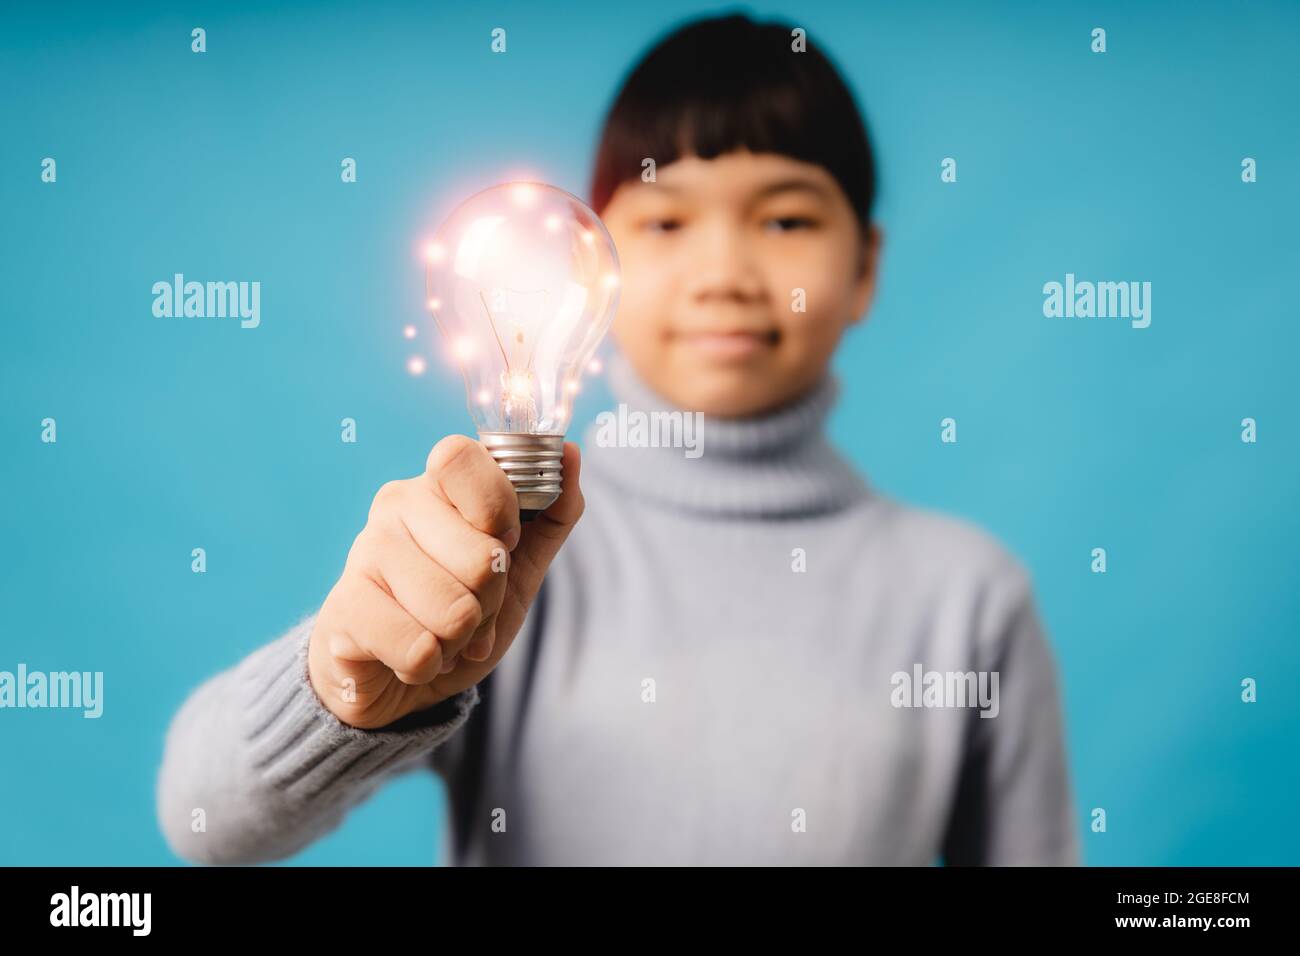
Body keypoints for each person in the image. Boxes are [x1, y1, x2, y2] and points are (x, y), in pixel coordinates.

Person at [156, 12, 1080, 866]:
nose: (723, 273)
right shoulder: (500, 565)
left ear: (866, 267)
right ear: (595, 260)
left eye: (786, 217)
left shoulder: (967, 598)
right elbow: (204, 817)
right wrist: (344, 683)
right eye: (668, 220)